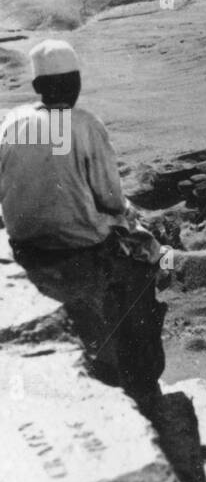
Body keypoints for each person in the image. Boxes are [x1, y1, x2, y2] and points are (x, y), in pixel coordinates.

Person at [0, 39, 167, 409]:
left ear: (37, 88)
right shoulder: (85, 125)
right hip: (78, 243)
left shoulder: (13, 121)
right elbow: (109, 198)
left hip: (24, 239)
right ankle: (142, 376)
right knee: (145, 257)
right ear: (76, 84)